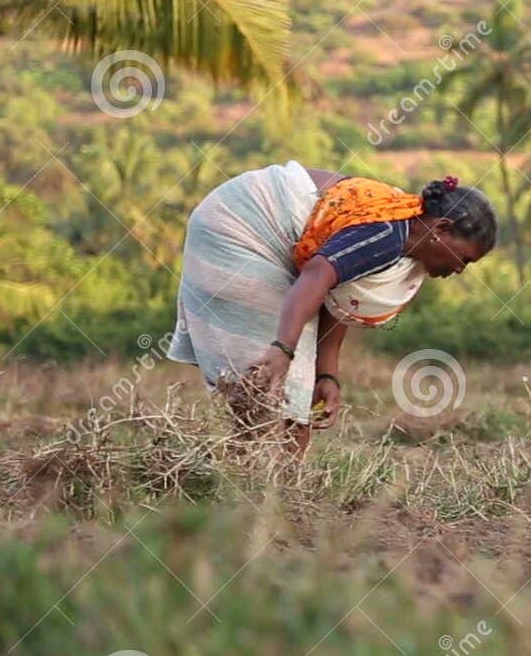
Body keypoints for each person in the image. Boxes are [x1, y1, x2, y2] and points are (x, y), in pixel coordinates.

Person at [168, 162, 497, 453]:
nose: (459, 270)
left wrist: (327, 374)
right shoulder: (387, 232)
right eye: (464, 259)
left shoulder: (400, 221)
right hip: (241, 228)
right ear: (440, 230)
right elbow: (317, 275)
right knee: (275, 378)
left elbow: (339, 293)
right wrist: (283, 348)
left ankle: (265, 488)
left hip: (240, 217)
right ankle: (267, 492)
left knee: (288, 381)